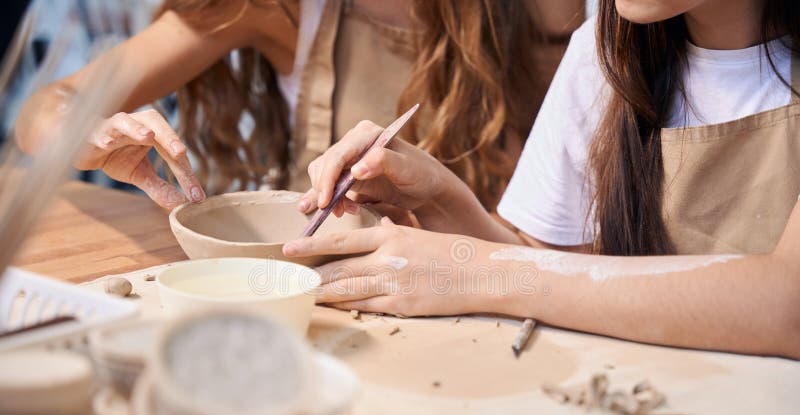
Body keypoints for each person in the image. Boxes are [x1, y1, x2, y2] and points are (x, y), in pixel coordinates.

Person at [284, 0, 800, 359]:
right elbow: (552, 267)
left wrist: (492, 273)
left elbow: (787, 307)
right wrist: (440, 195)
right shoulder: (605, 57)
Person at [14, 0, 582, 210]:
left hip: (486, 290)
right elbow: (45, 106)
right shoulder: (277, 7)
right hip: (320, 302)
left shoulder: (547, 12)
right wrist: (84, 131)